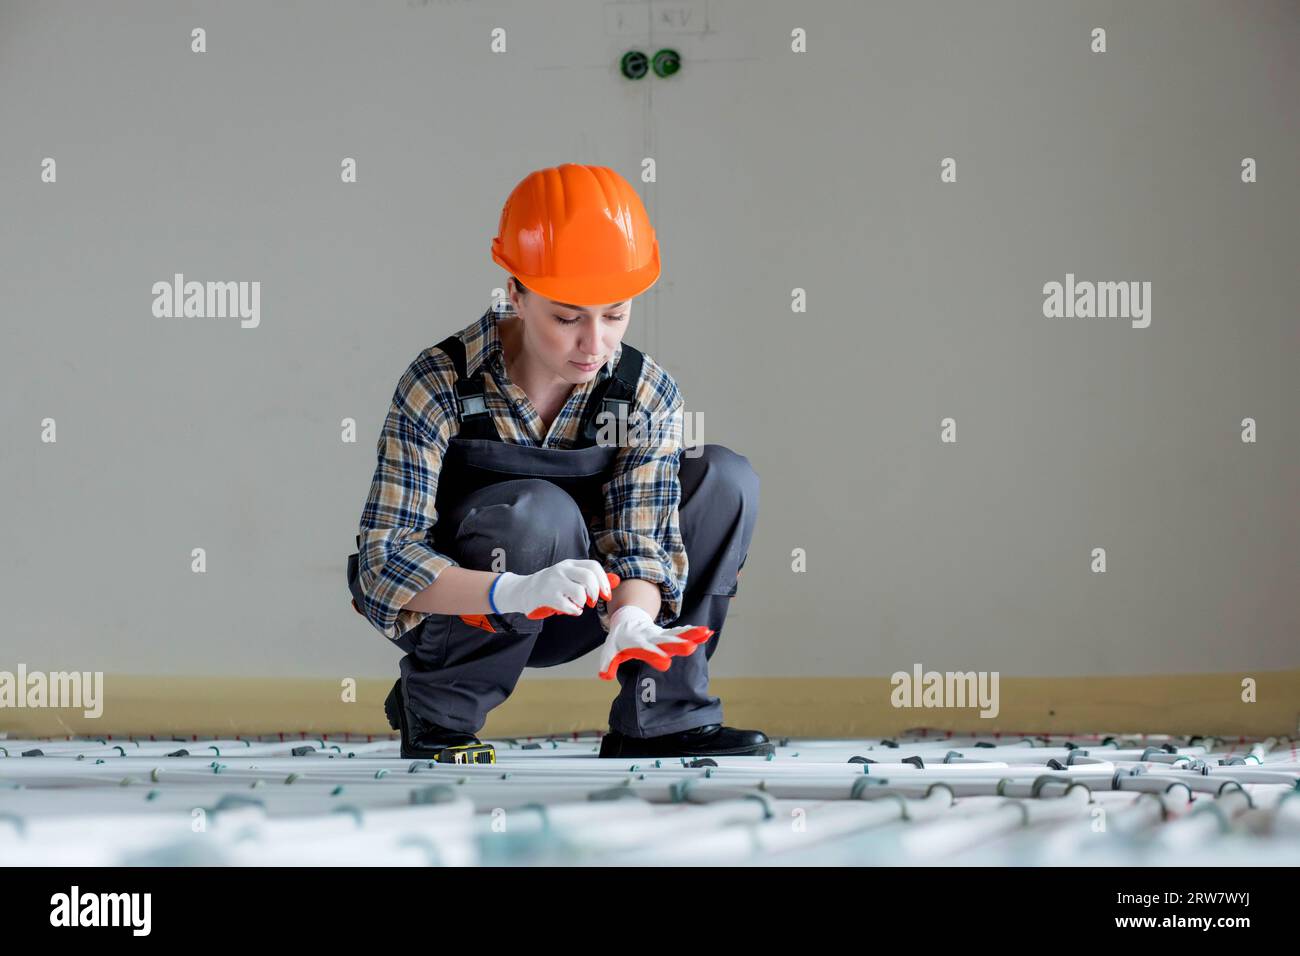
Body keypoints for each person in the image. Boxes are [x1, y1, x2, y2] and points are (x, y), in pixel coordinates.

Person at [346, 163, 770, 758]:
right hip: (476, 614)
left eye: (615, 315)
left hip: (590, 614)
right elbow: (383, 562)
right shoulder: (440, 382)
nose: (594, 344)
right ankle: (439, 711)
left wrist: (633, 620)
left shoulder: (643, 391)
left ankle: (662, 715)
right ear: (515, 293)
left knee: (724, 477)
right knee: (536, 513)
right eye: (568, 317)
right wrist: (512, 590)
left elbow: (644, 543)